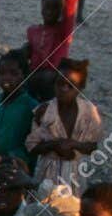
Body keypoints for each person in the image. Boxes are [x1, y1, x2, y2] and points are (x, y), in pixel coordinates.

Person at [26, 58, 101, 193]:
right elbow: (31, 146)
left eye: (70, 86)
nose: (63, 89)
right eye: (60, 83)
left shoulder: (89, 112)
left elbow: (93, 146)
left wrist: (73, 144)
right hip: (47, 175)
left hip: (75, 175)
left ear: (80, 88)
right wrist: (54, 145)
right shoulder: (44, 111)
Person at [24, 0, 87, 82]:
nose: (49, 12)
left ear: (62, 12)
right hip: (33, 76)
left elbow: (71, 5)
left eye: (55, 8)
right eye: (47, 7)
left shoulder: (63, 32)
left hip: (53, 79)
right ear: (41, 5)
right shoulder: (33, 31)